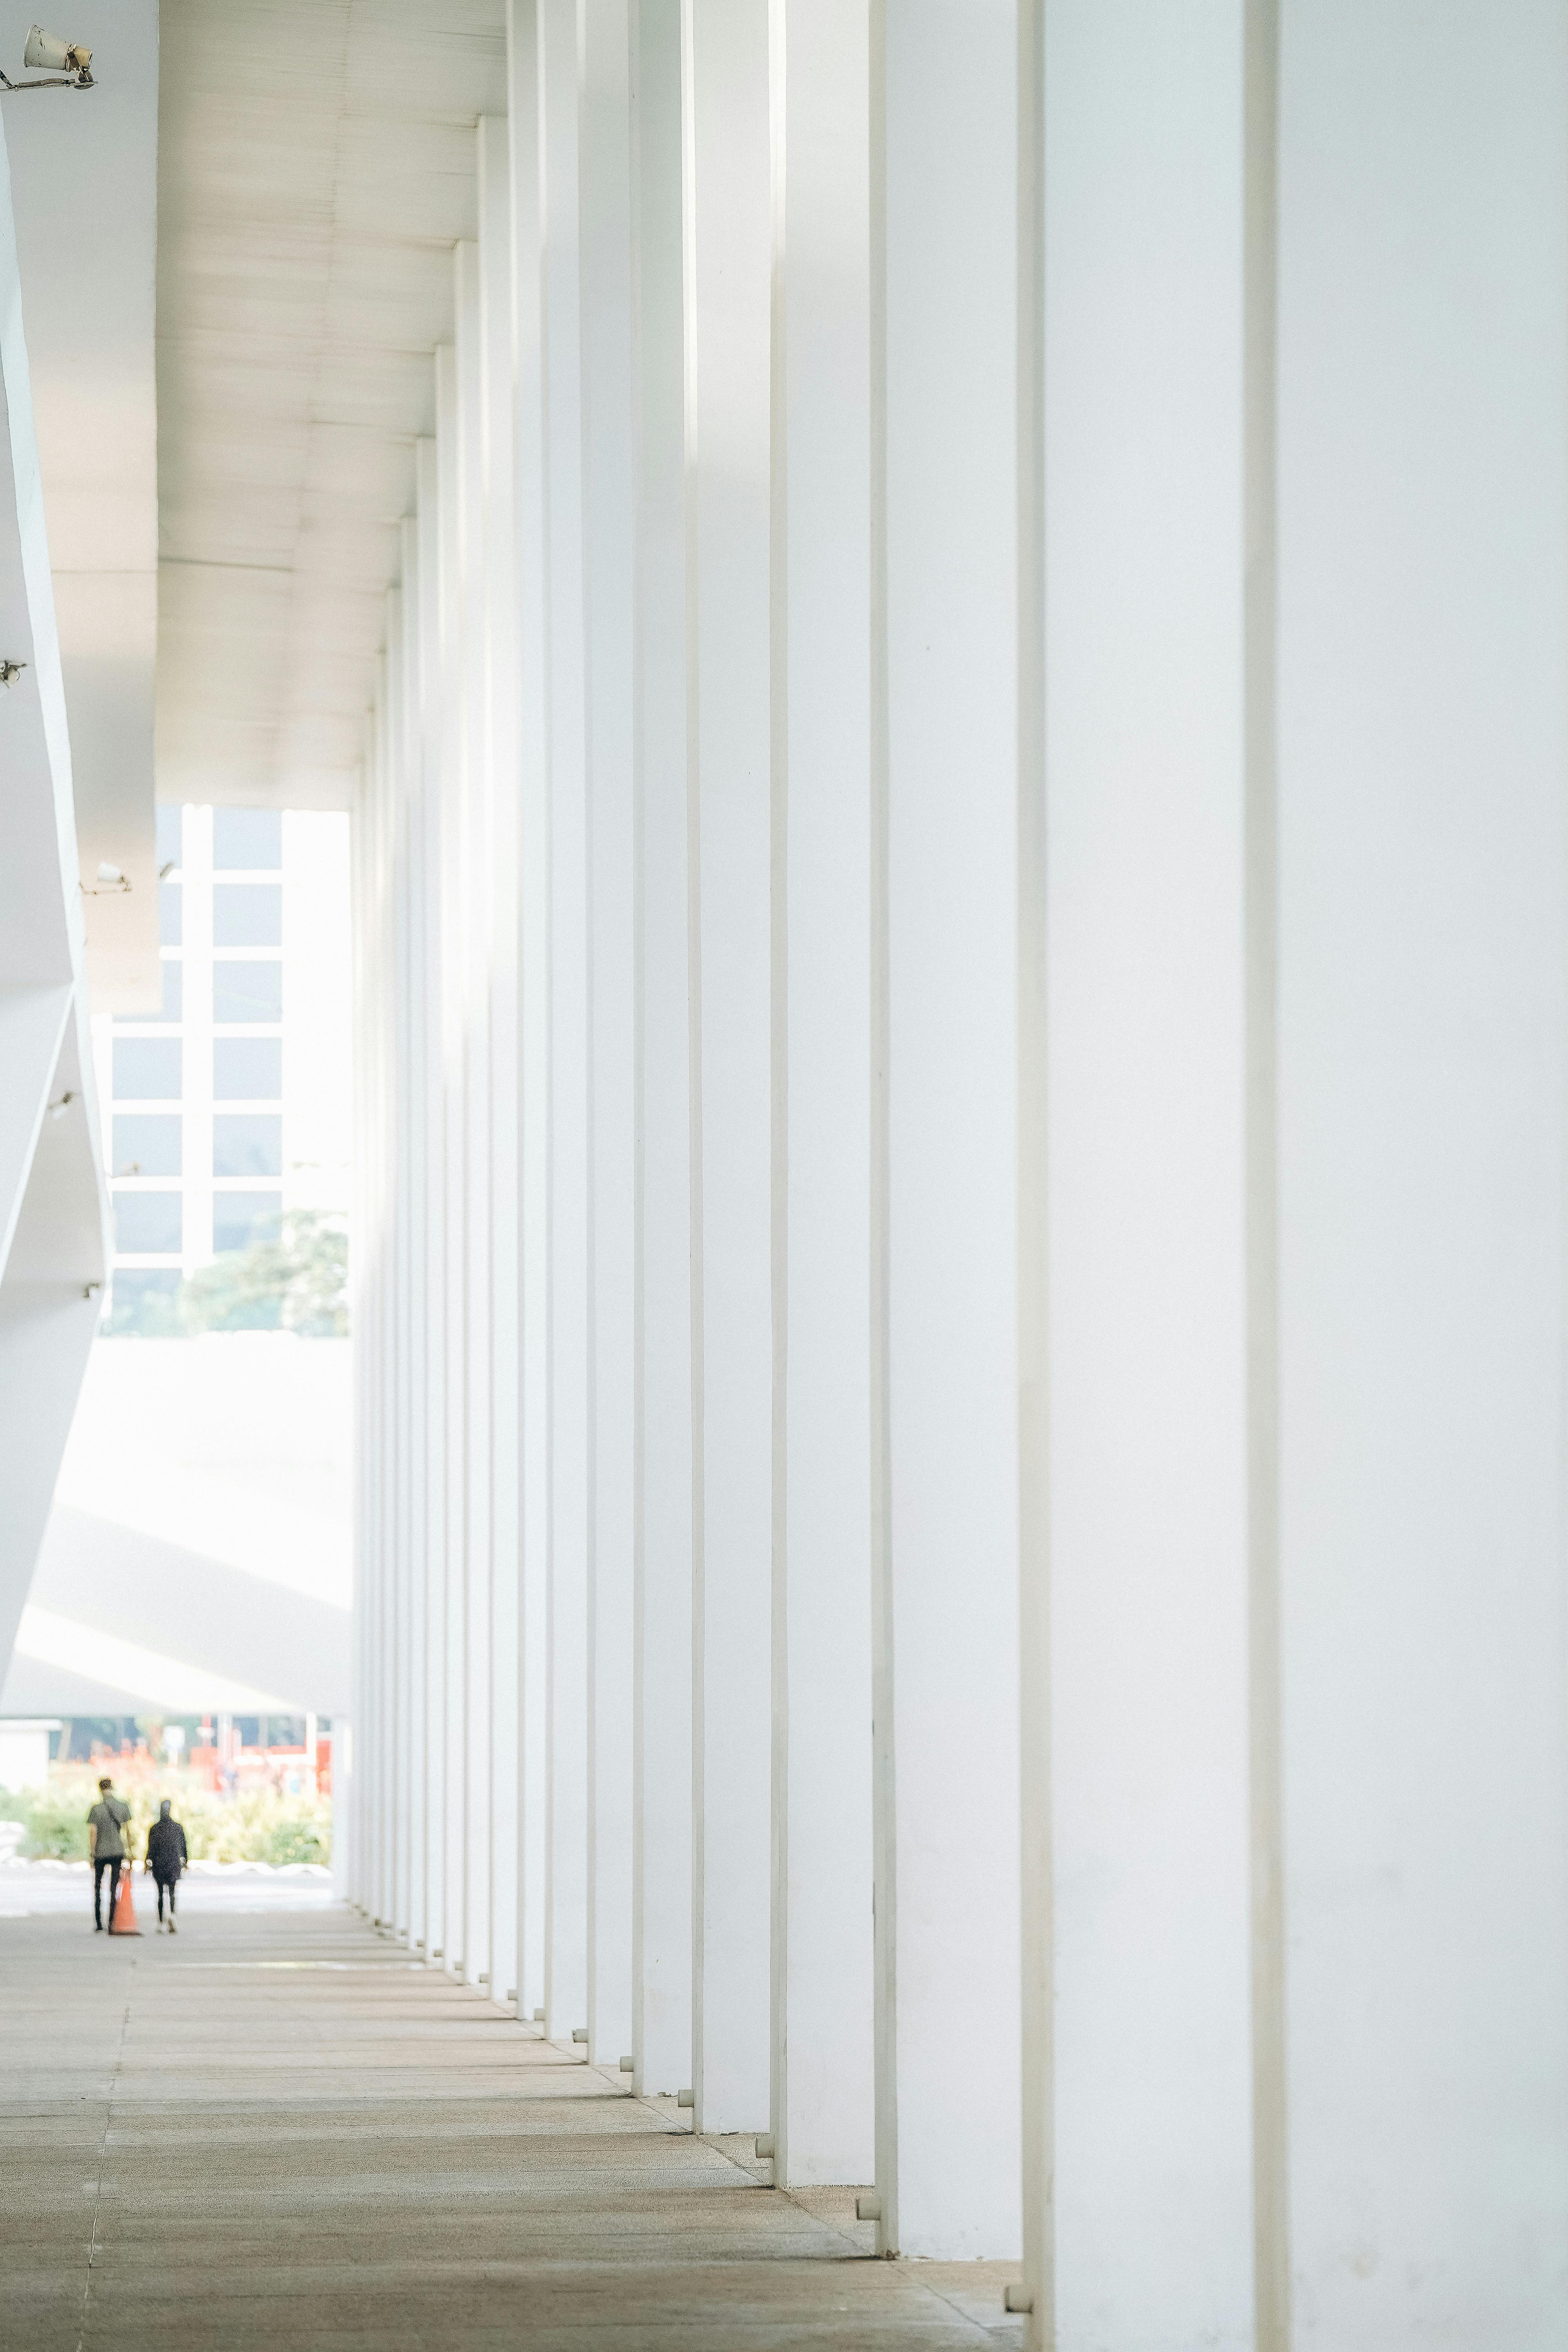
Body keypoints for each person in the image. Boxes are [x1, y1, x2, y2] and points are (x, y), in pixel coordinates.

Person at [85, 1775, 132, 1932]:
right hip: (117, 1851)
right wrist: (130, 1851)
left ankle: (99, 1923)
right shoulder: (123, 1807)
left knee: (98, 1886)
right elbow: (127, 1831)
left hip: (100, 1852)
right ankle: (112, 1921)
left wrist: (92, 1854)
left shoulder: (96, 1810)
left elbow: (93, 1832)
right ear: (112, 1788)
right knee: (113, 1887)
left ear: (100, 1790)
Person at [143, 1798, 188, 1932]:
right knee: (173, 1892)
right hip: (173, 1864)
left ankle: (161, 1922)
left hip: (159, 1865)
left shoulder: (155, 1829)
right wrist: (186, 1862)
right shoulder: (178, 1828)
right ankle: (172, 1916)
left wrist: (147, 1863)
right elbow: (184, 1848)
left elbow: (151, 1849)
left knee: (160, 1894)